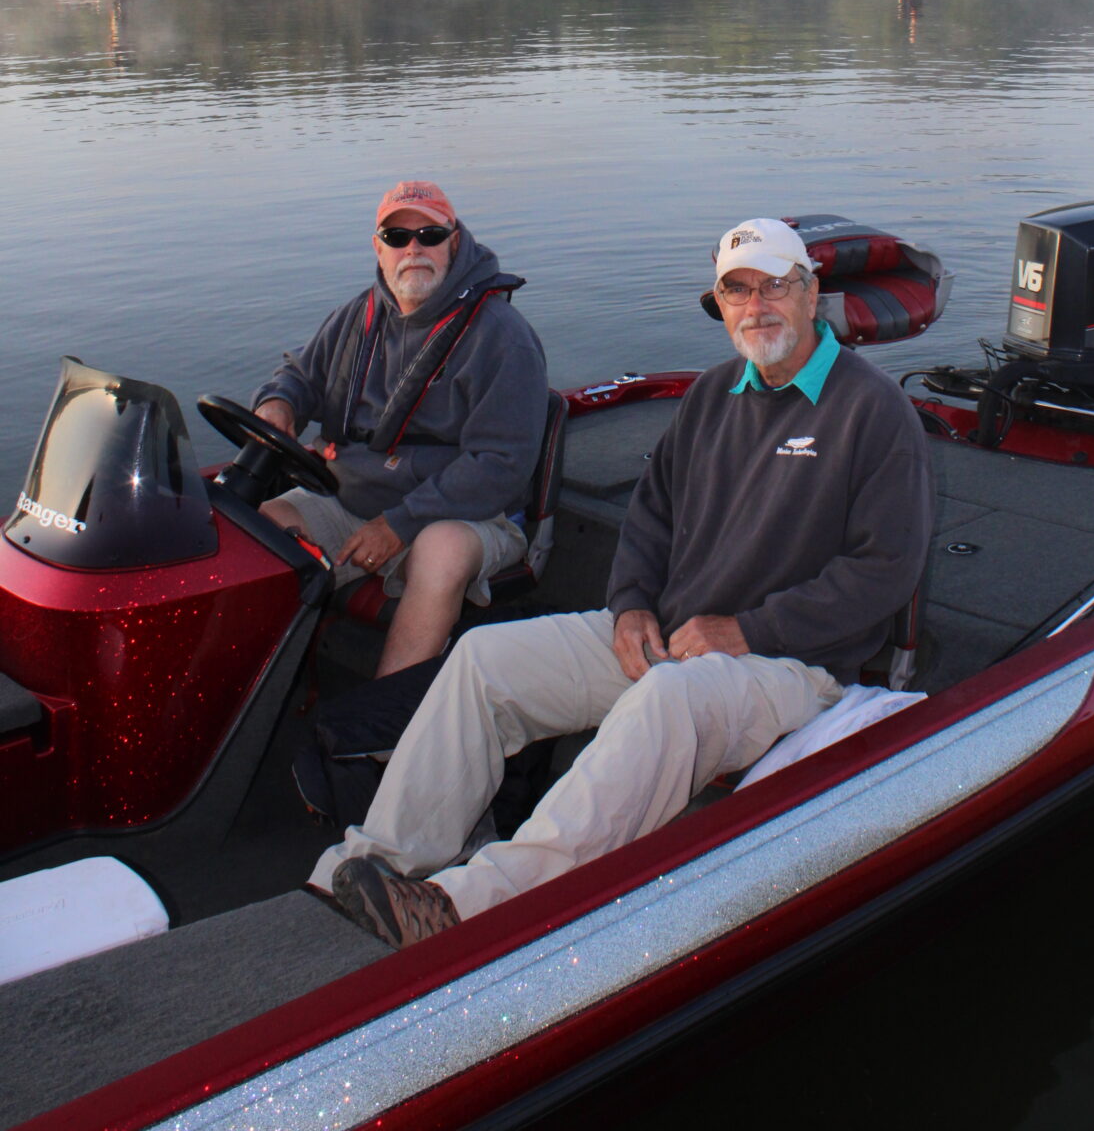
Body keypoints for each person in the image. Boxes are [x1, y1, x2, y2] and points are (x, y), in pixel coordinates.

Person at [313, 215, 933, 947]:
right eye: (737, 290)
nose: (756, 305)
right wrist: (630, 606)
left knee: (670, 695)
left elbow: (882, 571)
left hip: (787, 665)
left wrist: (746, 631)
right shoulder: (709, 398)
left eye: (774, 286)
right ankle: (375, 865)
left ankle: (471, 906)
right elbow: (650, 519)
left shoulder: (872, 410)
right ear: (719, 302)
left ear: (810, 292)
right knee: (485, 661)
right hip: (674, 637)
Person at [253, 179, 548, 677]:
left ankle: (388, 726)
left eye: (430, 234)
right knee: (262, 529)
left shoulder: (503, 337)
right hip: (351, 501)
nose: (414, 248)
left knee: (441, 554)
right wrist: (278, 405)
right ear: (379, 248)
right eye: (397, 238)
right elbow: (299, 373)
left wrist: (399, 524)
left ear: (455, 243)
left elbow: (502, 466)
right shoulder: (357, 316)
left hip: (462, 515)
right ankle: (265, 697)